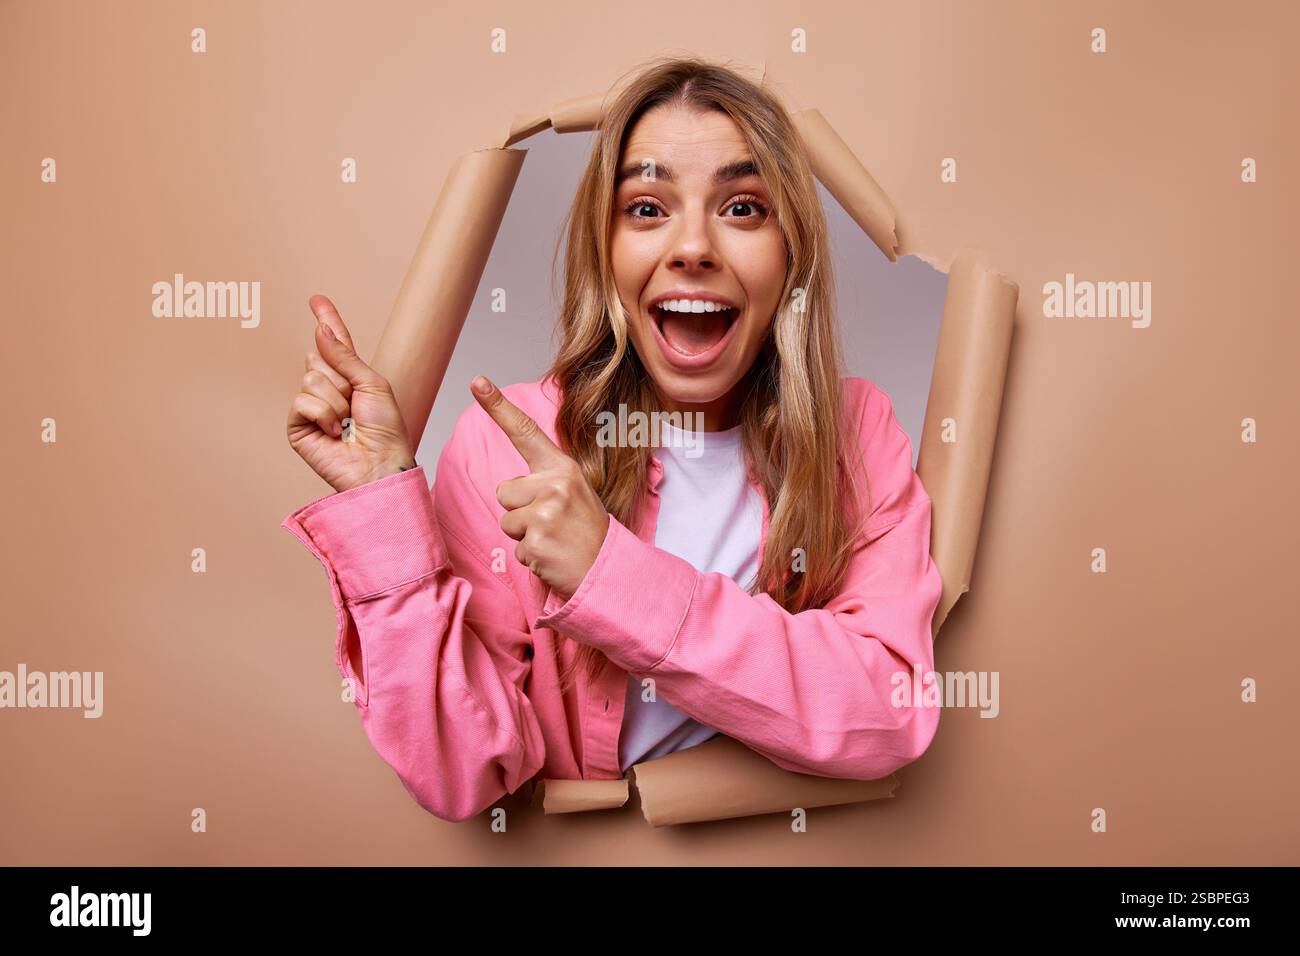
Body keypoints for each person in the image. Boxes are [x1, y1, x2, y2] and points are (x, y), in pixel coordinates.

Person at [282, 56, 943, 823]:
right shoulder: (508, 448)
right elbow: (463, 773)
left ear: (792, 254)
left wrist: (610, 573)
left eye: (743, 208)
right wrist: (382, 499)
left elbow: (889, 711)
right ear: (606, 252)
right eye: (648, 208)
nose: (693, 247)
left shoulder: (856, 433)